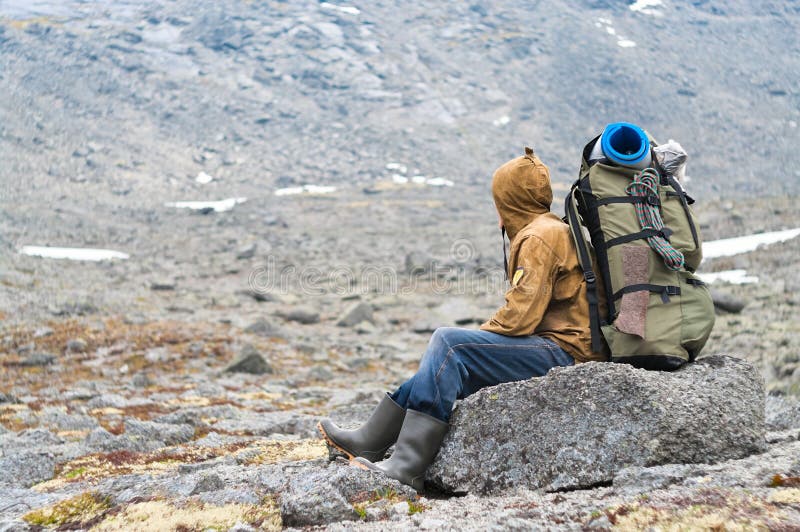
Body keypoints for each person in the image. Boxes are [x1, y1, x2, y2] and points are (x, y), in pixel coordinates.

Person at [318, 147, 606, 491]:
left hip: (566, 352)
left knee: (448, 345)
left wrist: (470, 345)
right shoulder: (550, 228)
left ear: (508, 202)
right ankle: (368, 439)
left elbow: (519, 318)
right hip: (563, 345)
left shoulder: (539, 236)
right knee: (445, 358)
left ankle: (406, 465)